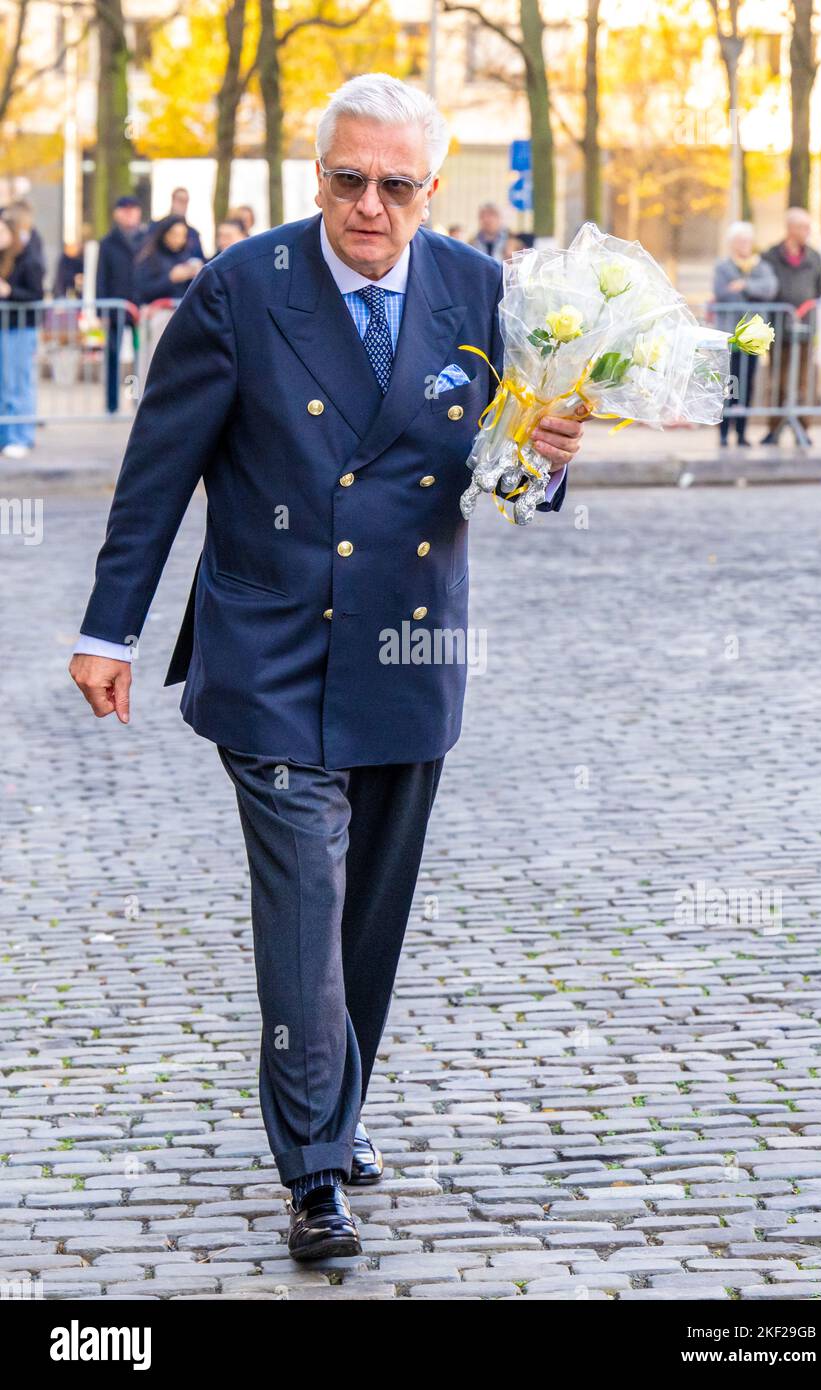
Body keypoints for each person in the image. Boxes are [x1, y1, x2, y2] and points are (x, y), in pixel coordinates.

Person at [68, 72, 583, 1263]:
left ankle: (336, 1115)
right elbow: (158, 471)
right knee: (305, 903)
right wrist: (111, 631)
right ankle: (313, 1171)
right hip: (272, 649)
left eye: (394, 186)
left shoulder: (480, 290)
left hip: (408, 649)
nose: (368, 205)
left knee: (367, 922)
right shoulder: (243, 291)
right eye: (347, 179)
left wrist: (547, 455)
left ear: (428, 189)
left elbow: (506, 488)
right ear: (317, 175)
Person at [760, 207, 821, 446]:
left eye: (808, 227)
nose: (807, 232)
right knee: (777, 380)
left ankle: (803, 428)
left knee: (803, 382)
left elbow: (820, 289)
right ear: (790, 228)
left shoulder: (814, 257)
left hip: (806, 328)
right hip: (778, 328)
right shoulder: (771, 256)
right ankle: (774, 428)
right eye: (803, 227)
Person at [712, 221, 778, 448]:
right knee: (729, 385)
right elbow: (722, 293)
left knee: (747, 384)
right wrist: (749, 291)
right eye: (740, 241)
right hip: (730, 336)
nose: (745, 245)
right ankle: (723, 433)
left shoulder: (761, 266)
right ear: (731, 244)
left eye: (748, 241)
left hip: (751, 337)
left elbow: (770, 288)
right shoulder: (723, 267)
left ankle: (741, 433)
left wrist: (744, 286)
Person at [0, 206, 45, 459]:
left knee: (18, 383)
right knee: (5, 385)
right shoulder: (6, 257)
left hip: (20, 328)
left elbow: (36, 294)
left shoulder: (29, 258)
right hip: (6, 326)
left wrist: (9, 292)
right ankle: (6, 436)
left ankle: (21, 436)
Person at [96, 196, 144, 413]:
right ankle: (112, 403)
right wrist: (101, 309)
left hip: (139, 308)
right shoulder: (108, 242)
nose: (129, 214)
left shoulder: (146, 239)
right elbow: (101, 277)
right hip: (115, 308)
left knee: (138, 356)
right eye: (124, 210)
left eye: (132, 210)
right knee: (113, 356)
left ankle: (135, 398)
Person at [133, 216, 202, 307]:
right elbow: (142, 291)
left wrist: (197, 275)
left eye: (182, 235)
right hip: (155, 312)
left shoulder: (186, 256)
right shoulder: (149, 257)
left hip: (181, 312)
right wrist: (170, 279)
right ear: (164, 234)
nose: (178, 239)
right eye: (175, 234)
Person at [151, 188, 205, 260]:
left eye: (186, 201)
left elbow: (199, 259)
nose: (183, 204)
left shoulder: (193, 234)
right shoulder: (156, 227)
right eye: (180, 200)